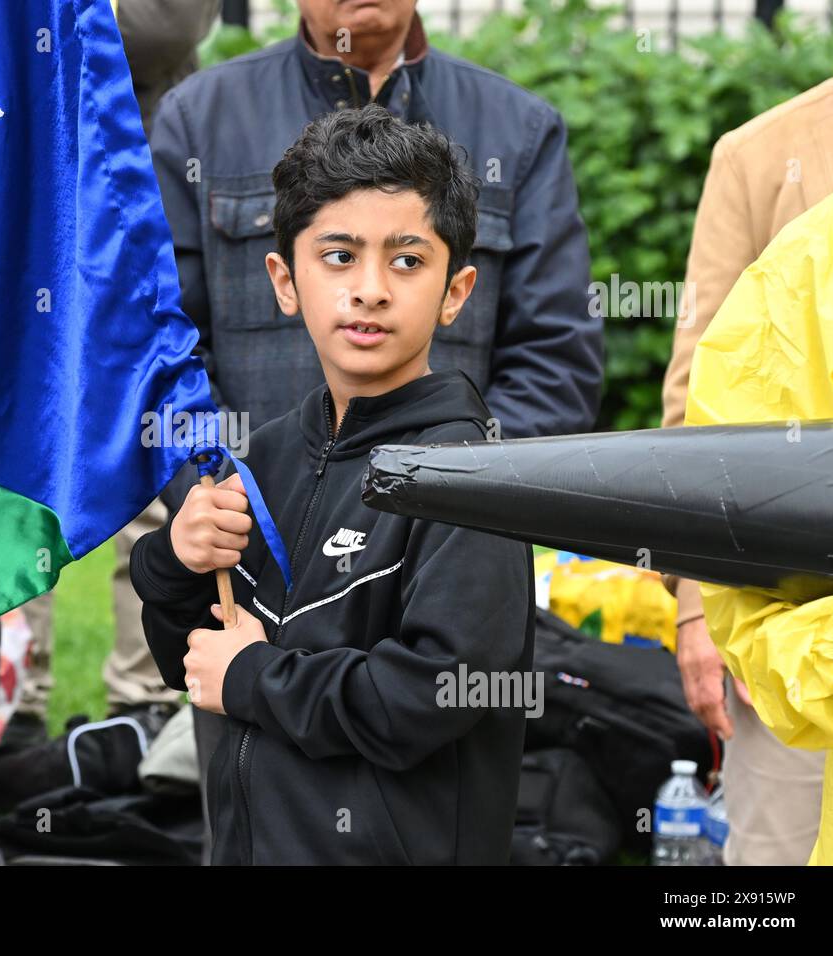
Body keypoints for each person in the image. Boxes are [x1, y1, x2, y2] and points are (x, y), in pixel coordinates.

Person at [148, 0, 599, 857]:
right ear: (285, 279)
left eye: (405, 261)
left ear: (453, 287)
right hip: (259, 535)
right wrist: (188, 535)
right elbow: (160, 345)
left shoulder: (519, 129)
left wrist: (480, 484)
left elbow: (433, 693)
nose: (369, 289)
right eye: (338, 257)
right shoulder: (201, 117)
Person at [2, 0, 222, 755]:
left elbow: (169, 27)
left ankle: (146, 698)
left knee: (144, 451)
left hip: (132, 201)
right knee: (8, 451)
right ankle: (13, 700)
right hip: (13, 188)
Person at [660, 66, 833, 864]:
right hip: (790, 610)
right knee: (775, 855)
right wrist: (700, 608)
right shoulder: (763, 152)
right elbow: (700, 411)